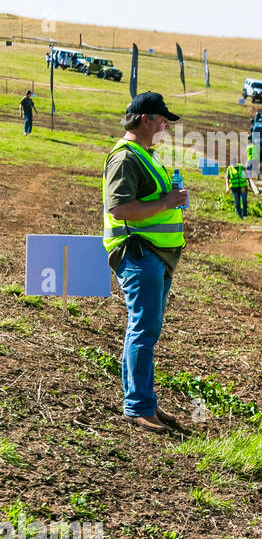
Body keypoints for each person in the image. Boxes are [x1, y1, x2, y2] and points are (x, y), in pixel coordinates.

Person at [102, 92, 188, 434]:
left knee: (144, 330)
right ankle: (138, 406)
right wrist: (169, 200)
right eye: (162, 118)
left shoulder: (143, 156)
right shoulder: (125, 158)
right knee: (143, 330)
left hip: (155, 255)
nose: (166, 124)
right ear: (144, 119)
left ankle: (142, 400)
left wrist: (170, 200)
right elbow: (120, 209)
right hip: (139, 253)